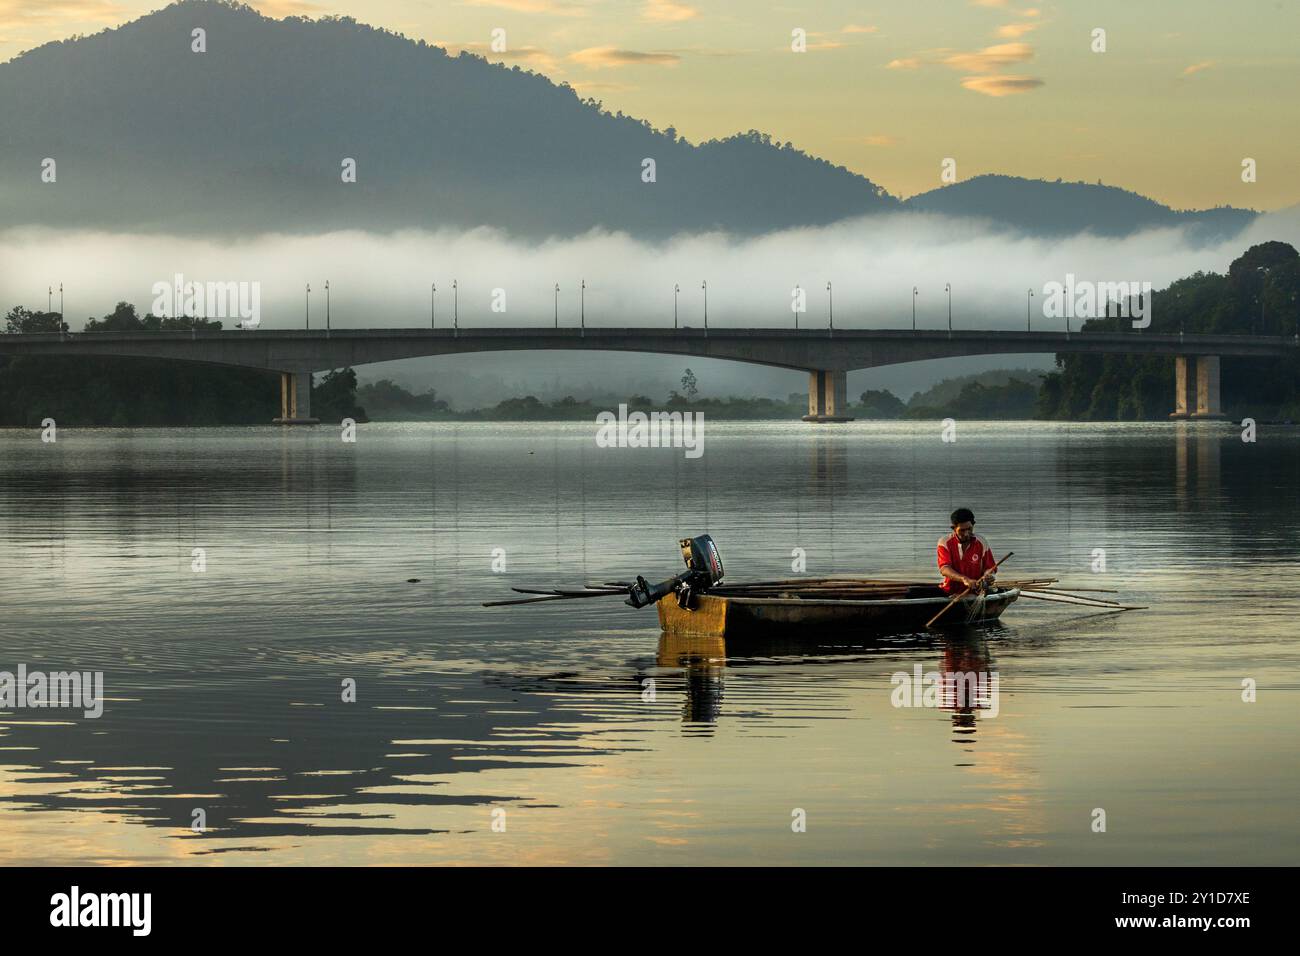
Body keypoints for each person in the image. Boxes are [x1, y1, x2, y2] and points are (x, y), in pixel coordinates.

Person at [937, 507, 997, 594]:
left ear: (973, 525)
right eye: (962, 530)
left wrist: (989, 575)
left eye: (969, 529)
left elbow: (990, 568)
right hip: (950, 591)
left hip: (976, 591)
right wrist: (964, 579)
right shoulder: (944, 542)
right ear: (953, 528)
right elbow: (944, 569)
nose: (966, 534)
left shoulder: (981, 542)